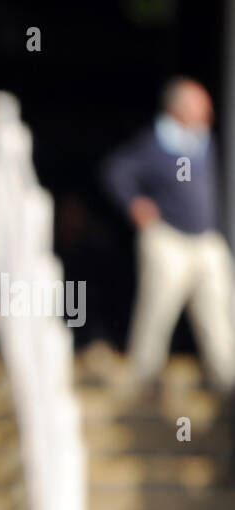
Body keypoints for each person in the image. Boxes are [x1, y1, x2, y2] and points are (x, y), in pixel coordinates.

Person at [103, 77, 234, 392]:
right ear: (179, 109)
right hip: (169, 240)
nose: (208, 111)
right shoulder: (154, 143)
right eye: (200, 105)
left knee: (219, 313)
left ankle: (226, 381)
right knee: (158, 309)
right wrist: (134, 203)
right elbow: (116, 170)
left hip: (206, 240)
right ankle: (144, 379)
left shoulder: (207, 142)